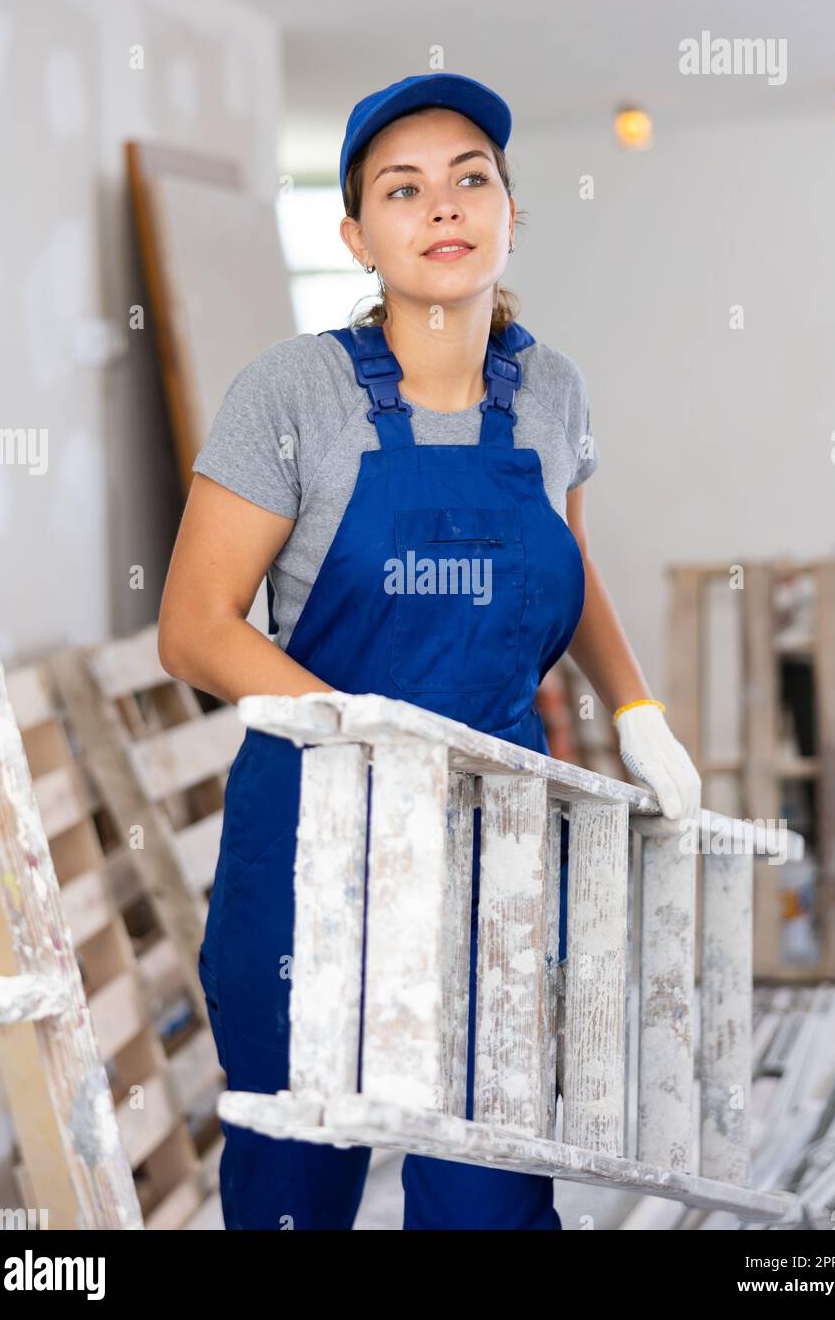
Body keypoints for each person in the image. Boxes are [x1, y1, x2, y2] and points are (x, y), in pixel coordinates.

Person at [157, 71, 701, 1230]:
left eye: (470, 179)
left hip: (494, 840)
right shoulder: (292, 392)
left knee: (487, 1194)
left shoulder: (550, 391)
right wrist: (369, 736)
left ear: (510, 211)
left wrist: (636, 709)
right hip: (313, 850)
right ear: (357, 235)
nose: (443, 207)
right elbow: (194, 626)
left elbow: (570, 561)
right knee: (296, 1184)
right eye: (403, 190)